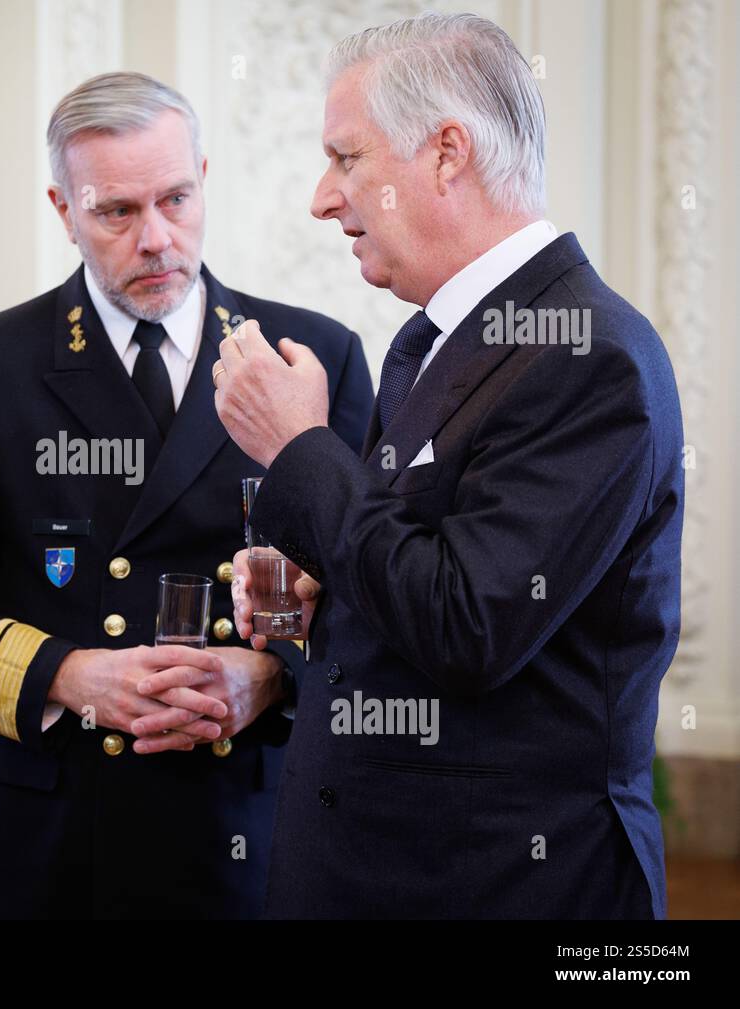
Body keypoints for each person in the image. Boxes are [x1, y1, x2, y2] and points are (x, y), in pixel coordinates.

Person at [0, 72, 373, 918]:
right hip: (55, 832)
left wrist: (272, 675)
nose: (156, 239)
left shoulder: (310, 355)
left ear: (204, 178)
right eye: (116, 212)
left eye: (176, 199)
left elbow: (372, 592)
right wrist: (70, 673)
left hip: (251, 816)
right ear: (63, 209)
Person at [214, 12, 682, 918]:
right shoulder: (434, 341)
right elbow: (422, 578)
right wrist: (327, 601)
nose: (321, 196)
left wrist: (299, 450)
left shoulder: (587, 350)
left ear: (446, 154)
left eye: (346, 158)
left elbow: (471, 624)